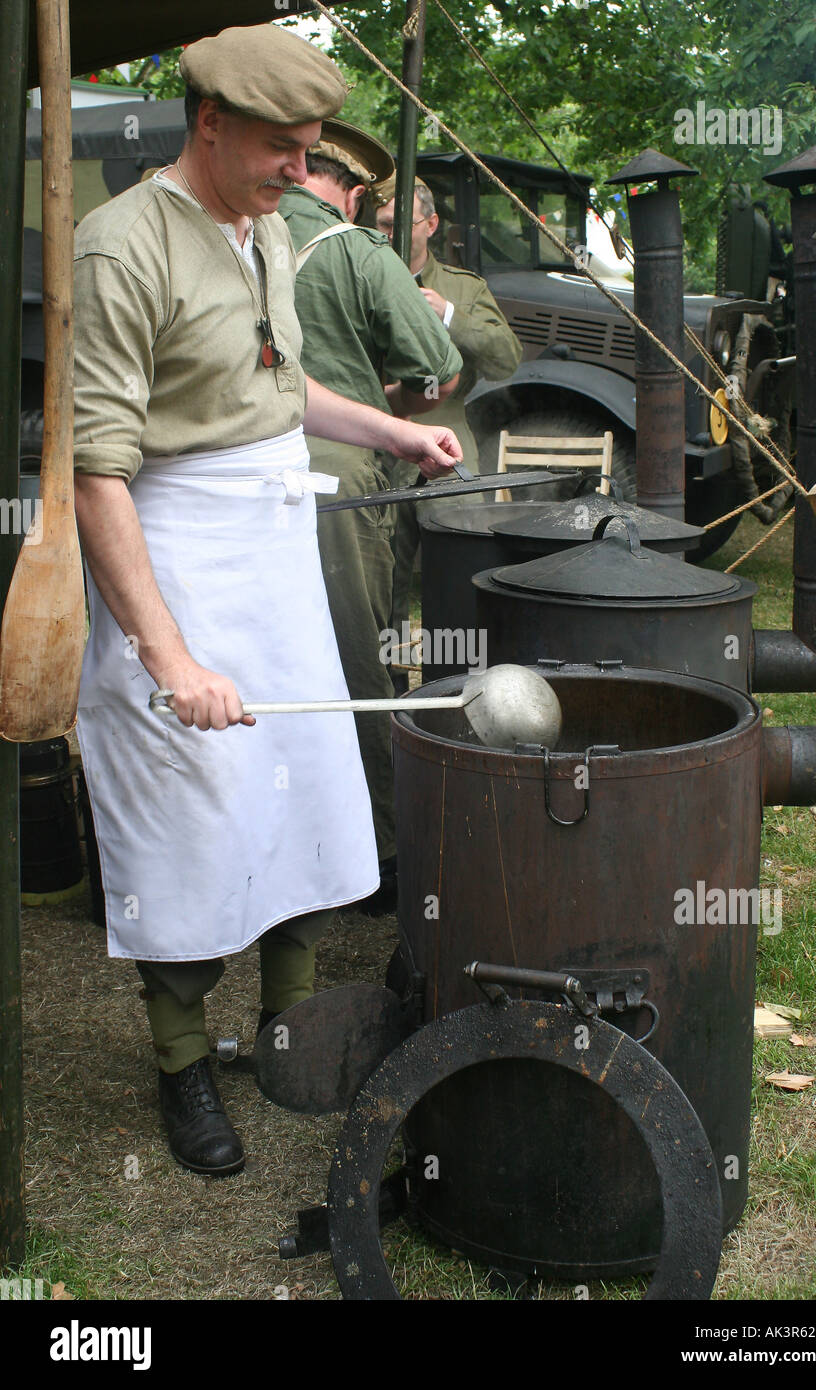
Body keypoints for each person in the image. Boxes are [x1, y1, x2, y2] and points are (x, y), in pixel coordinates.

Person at [72, 24, 461, 1178]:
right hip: (176, 558)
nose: (302, 171)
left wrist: (388, 427)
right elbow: (96, 472)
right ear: (208, 122)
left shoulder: (270, 231)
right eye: (282, 149)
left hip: (278, 555)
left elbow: (280, 389)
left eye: (309, 149)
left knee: (300, 788)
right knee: (190, 815)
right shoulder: (121, 245)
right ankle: (183, 1059)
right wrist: (168, 656)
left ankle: (290, 1029)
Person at [279, 124, 462, 914]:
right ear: (354, 194)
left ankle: (273, 841)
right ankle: (380, 856)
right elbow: (437, 371)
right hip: (337, 485)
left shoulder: (228, 230)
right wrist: (386, 408)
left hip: (225, 480)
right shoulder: (355, 251)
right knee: (359, 661)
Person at [373, 174, 523, 638]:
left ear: (432, 224)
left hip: (446, 439)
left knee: (461, 564)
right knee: (380, 577)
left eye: (403, 224)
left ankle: (460, 669)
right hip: (375, 437)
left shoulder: (463, 289)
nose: (392, 235)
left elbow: (506, 359)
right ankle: (387, 673)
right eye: (382, 225)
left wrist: (449, 316)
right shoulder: (360, 278)